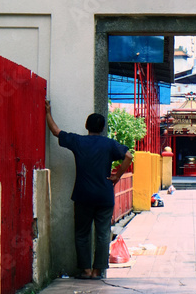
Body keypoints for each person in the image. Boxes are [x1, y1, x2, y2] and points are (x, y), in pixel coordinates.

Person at [45, 99, 133, 280]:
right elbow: (128, 156)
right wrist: (116, 176)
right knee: (102, 235)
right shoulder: (109, 144)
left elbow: (55, 131)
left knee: (82, 233)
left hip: (83, 195)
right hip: (104, 195)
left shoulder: (78, 142)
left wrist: (48, 112)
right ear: (102, 128)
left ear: (87, 126)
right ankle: (97, 271)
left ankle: (85, 270)